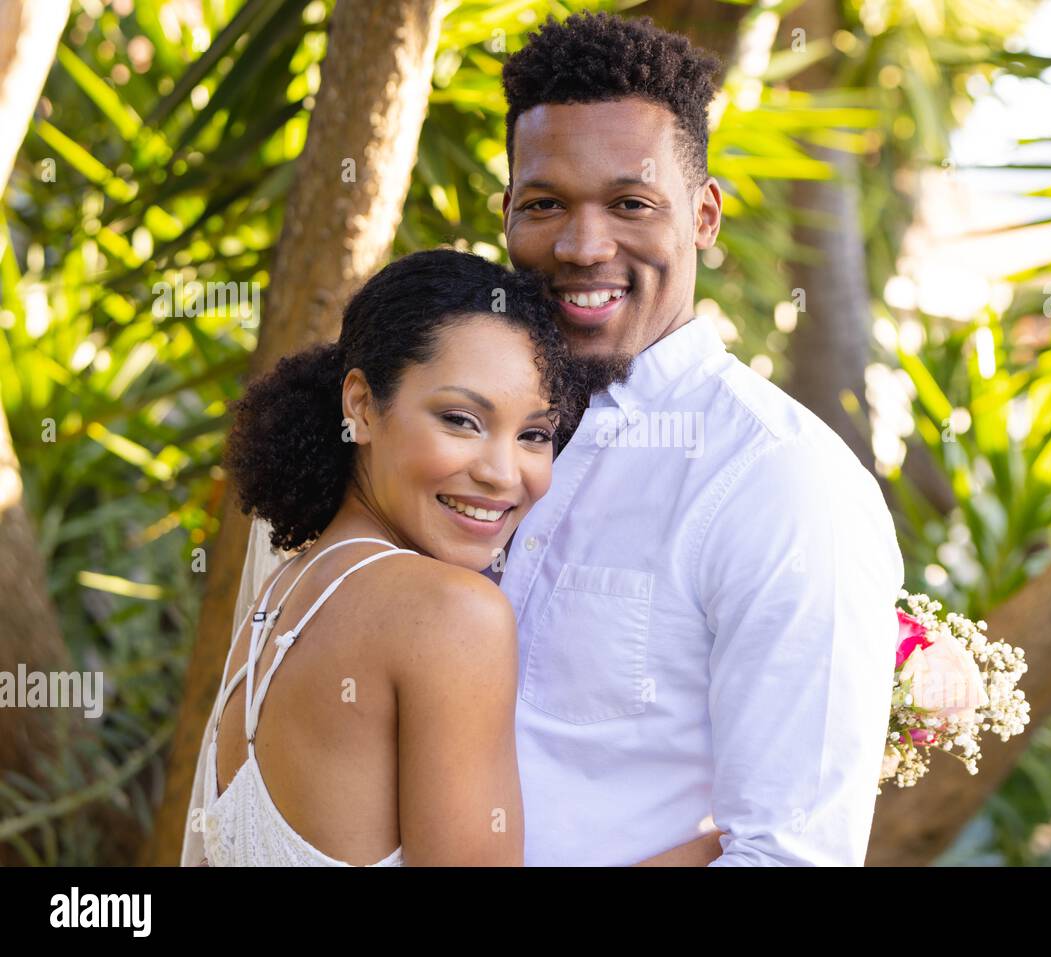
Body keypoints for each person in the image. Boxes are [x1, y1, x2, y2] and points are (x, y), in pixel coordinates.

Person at [493, 11, 905, 865]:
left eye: (630, 203)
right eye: (545, 204)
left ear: (705, 216)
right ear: (507, 215)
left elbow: (790, 856)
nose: (581, 245)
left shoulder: (781, 480)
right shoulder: (460, 438)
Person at [184, 249, 722, 865]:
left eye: (534, 435)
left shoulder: (285, 594)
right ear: (361, 405)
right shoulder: (450, 613)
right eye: (462, 420)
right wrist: (714, 851)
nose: (500, 473)